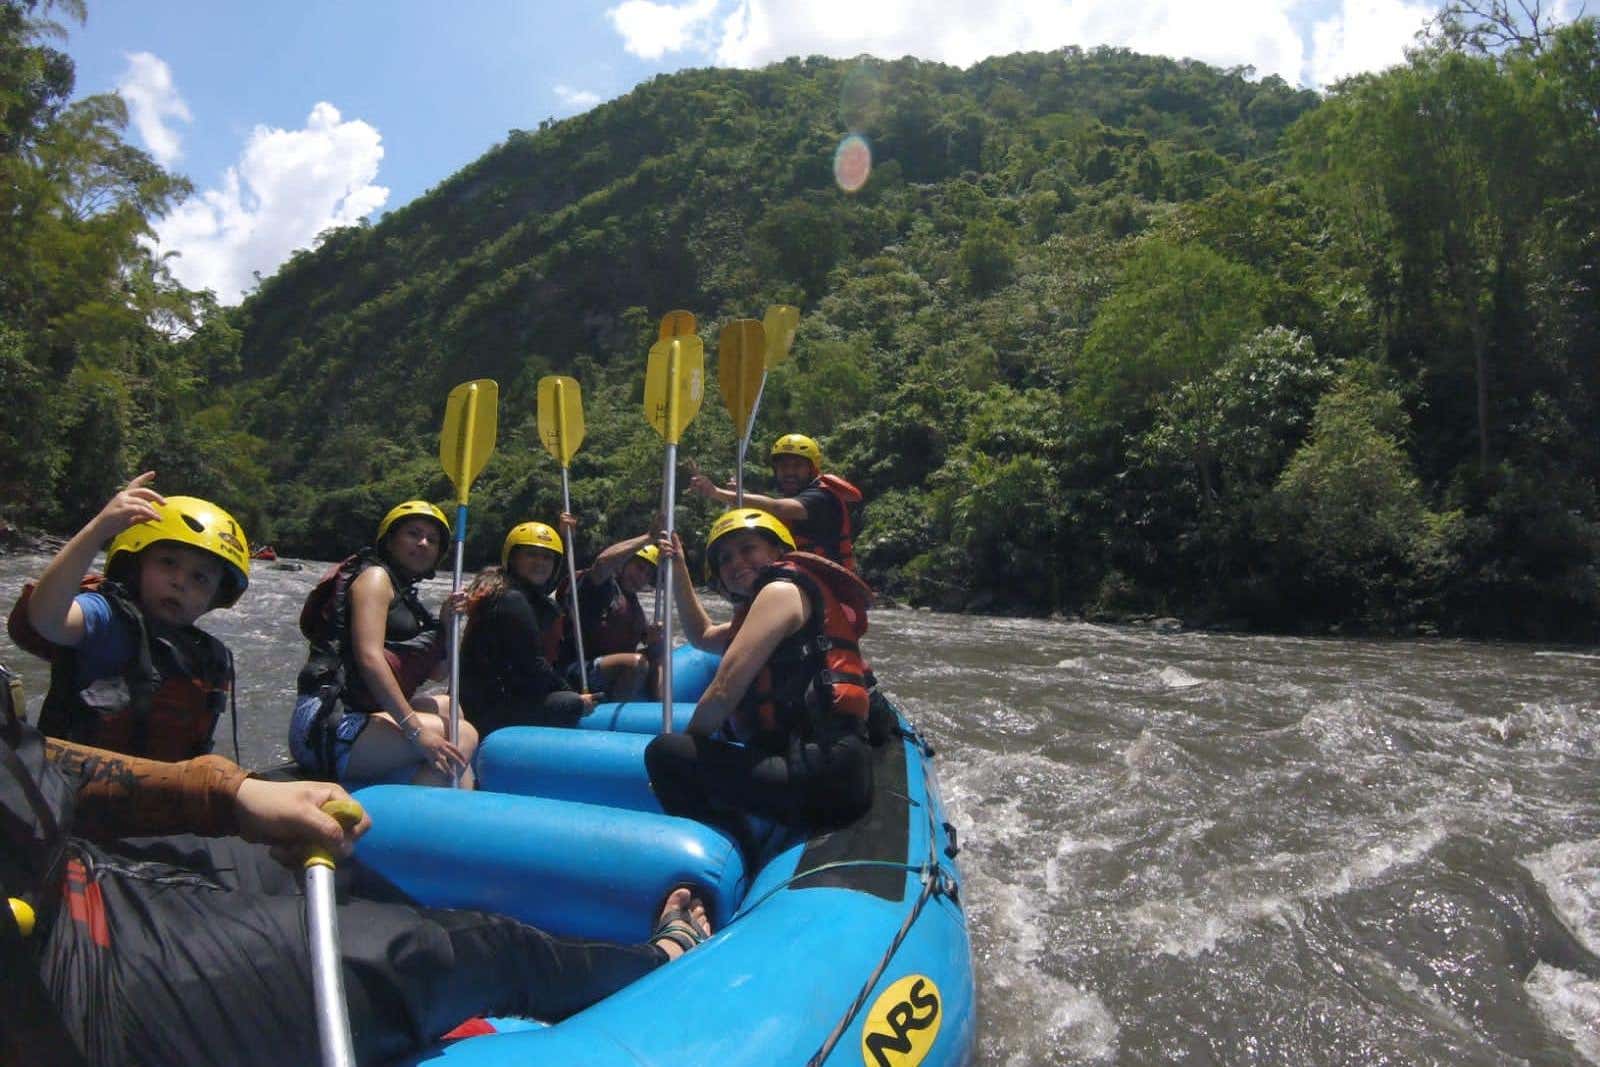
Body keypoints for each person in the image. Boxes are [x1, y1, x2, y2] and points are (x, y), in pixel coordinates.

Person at [0, 666, 712, 1067]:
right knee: (466, 944)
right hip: (65, 993)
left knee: (345, 871)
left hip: (76, 866)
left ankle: (411, 986)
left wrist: (228, 792)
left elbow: (29, 761)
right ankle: (659, 957)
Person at [643, 509, 875, 852]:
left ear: (779, 552)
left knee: (664, 754)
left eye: (748, 549)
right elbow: (702, 635)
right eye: (725, 559)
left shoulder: (780, 592)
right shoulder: (777, 601)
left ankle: (736, 852)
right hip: (823, 764)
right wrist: (678, 566)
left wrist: (693, 761)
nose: (735, 562)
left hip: (821, 775)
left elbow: (723, 690)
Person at [9, 472, 250, 762]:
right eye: (168, 562)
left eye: (199, 577)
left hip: (156, 795)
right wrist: (99, 530)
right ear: (136, 566)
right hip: (73, 792)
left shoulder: (209, 657)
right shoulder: (106, 615)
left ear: (215, 598)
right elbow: (47, 618)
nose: (180, 581)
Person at [289, 500, 476, 787]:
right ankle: (425, 818)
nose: (423, 543)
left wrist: (450, 624)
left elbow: (441, 672)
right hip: (328, 722)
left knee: (450, 707)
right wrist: (415, 731)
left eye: (432, 539)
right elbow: (369, 658)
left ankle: (435, 799)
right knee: (461, 735)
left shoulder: (405, 595)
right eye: (413, 533)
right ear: (389, 540)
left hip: (360, 711)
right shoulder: (374, 579)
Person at [458, 520, 597, 736]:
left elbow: (553, 585)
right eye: (531, 555)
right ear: (512, 558)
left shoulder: (517, 593)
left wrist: (568, 538)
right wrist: (577, 697)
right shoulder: (510, 599)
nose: (540, 563)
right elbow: (533, 665)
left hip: (502, 695)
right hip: (486, 709)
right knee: (569, 703)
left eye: (547, 557)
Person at [687, 432, 865, 572]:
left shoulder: (822, 497)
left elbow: (778, 507)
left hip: (829, 585)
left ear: (812, 468)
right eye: (783, 466)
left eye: (797, 466)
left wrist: (717, 492)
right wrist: (738, 499)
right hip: (804, 577)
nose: (789, 472)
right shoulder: (798, 498)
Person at [560, 529, 662, 701]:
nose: (641, 577)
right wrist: (650, 537)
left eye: (648, 574)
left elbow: (644, 639)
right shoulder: (601, 586)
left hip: (606, 669)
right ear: (623, 565)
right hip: (578, 671)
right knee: (637, 663)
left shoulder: (633, 604)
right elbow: (601, 564)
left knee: (659, 651)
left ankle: (661, 709)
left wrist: (654, 639)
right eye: (639, 568)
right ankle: (611, 715)